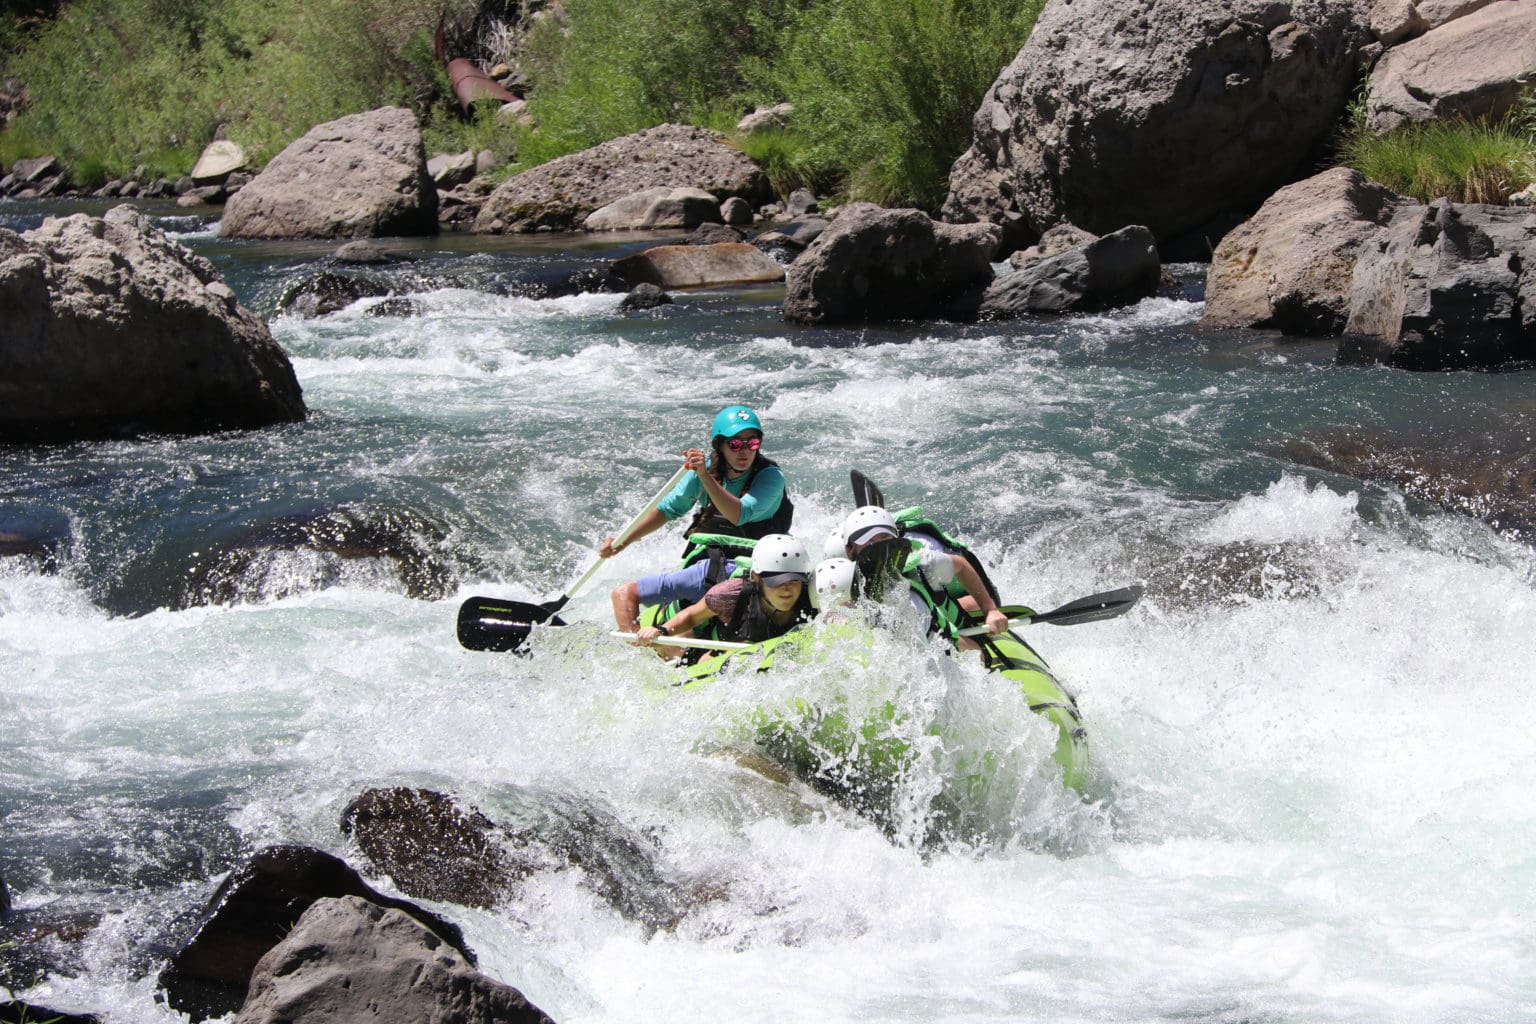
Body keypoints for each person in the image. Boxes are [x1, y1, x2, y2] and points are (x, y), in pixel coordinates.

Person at [603, 405, 794, 633]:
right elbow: (667, 510)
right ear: (720, 445)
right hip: (711, 565)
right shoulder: (705, 471)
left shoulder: (771, 476)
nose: (744, 452)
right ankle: (634, 645)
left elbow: (739, 514)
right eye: (735, 444)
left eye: (752, 443)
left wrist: (704, 476)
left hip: (763, 566)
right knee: (624, 593)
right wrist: (623, 541)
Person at [839, 505, 1009, 649]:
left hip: (961, 601)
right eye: (869, 541)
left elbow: (962, 565)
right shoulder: (842, 571)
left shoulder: (924, 562)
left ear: (895, 538)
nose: (880, 547)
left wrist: (990, 610)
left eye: (884, 538)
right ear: (849, 550)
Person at [634, 534, 815, 653]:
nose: (787, 588)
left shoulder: (811, 594)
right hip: (714, 645)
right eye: (776, 582)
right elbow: (691, 616)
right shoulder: (730, 594)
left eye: (794, 580)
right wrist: (662, 630)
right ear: (756, 578)